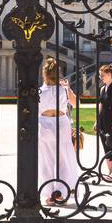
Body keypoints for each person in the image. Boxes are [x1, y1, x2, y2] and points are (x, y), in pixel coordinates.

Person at [37, 57, 80, 207]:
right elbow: (76, 104)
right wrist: (67, 88)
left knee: (46, 162)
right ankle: (61, 192)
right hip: (61, 123)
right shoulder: (63, 90)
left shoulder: (40, 91)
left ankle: (49, 195)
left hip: (44, 124)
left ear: (45, 74)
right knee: (64, 160)